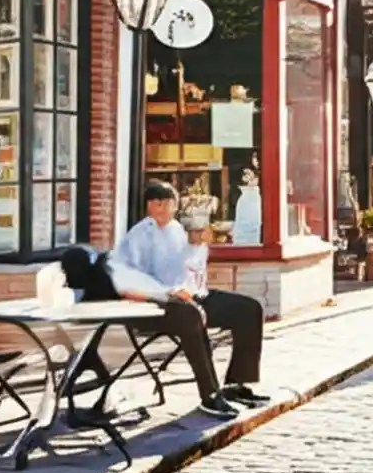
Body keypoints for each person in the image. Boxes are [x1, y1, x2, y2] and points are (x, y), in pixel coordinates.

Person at [109, 180, 269, 420]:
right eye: (154, 202)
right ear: (147, 206)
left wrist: (199, 253)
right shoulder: (140, 235)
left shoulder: (176, 230)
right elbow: (127, 283)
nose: (161, 207)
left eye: (166, 202)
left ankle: (236, 383)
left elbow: (187, 268)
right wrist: (166, 294)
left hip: (188, 296)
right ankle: (210, 395)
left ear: (175, 206)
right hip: (153, 305)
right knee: (191, 315)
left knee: (248, 309)